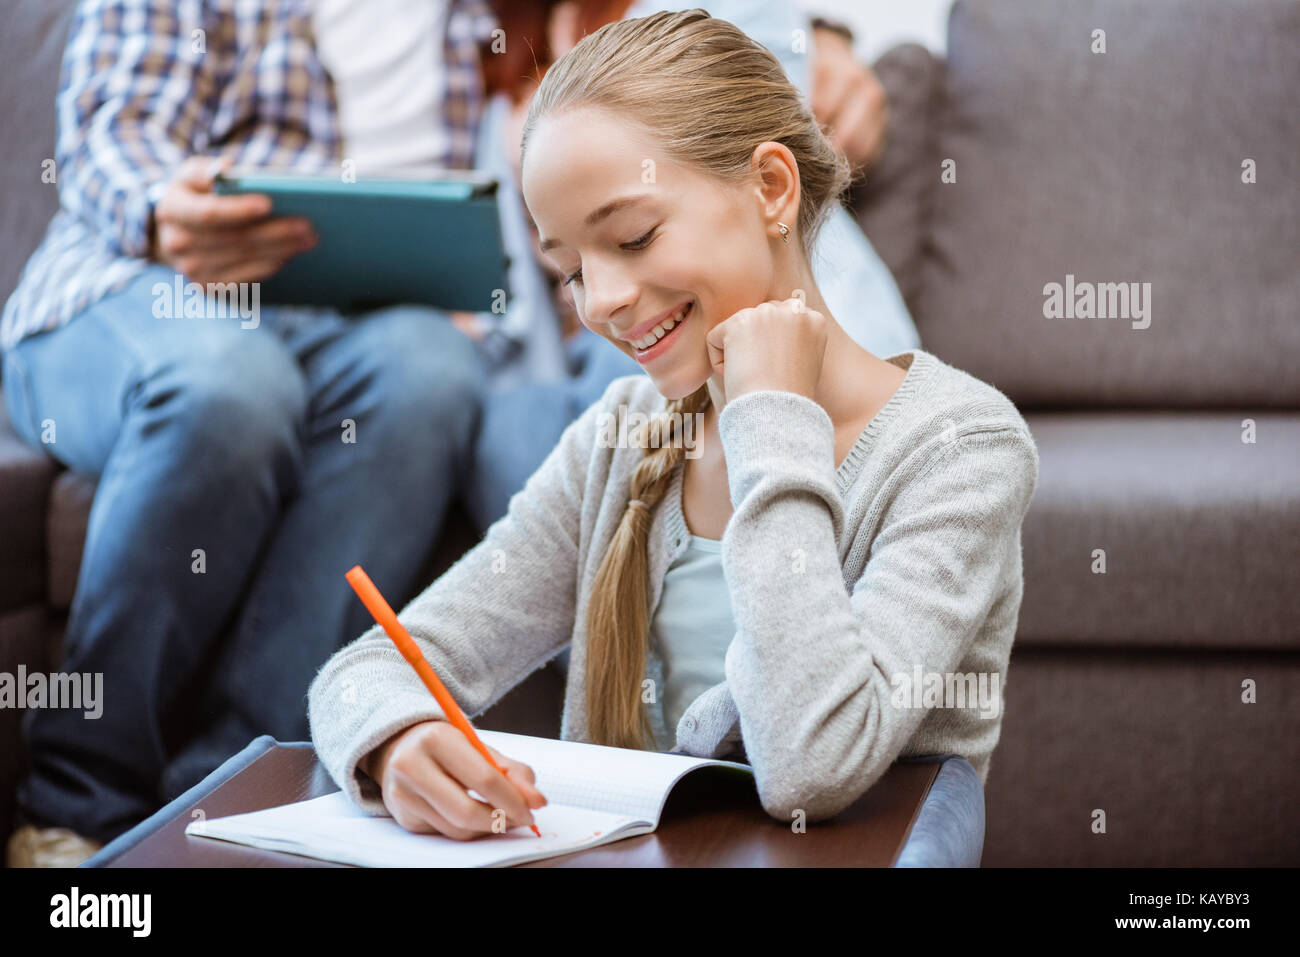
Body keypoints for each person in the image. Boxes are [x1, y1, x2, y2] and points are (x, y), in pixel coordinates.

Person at [306, 9, 1039, 840]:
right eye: (572, 269)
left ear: (771, 188)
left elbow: (812, 765)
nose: (603, 300)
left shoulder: (960, 448)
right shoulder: (617, 437)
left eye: (633, 235)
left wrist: (772, 418)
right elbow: (367, 670)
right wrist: (396, 740)